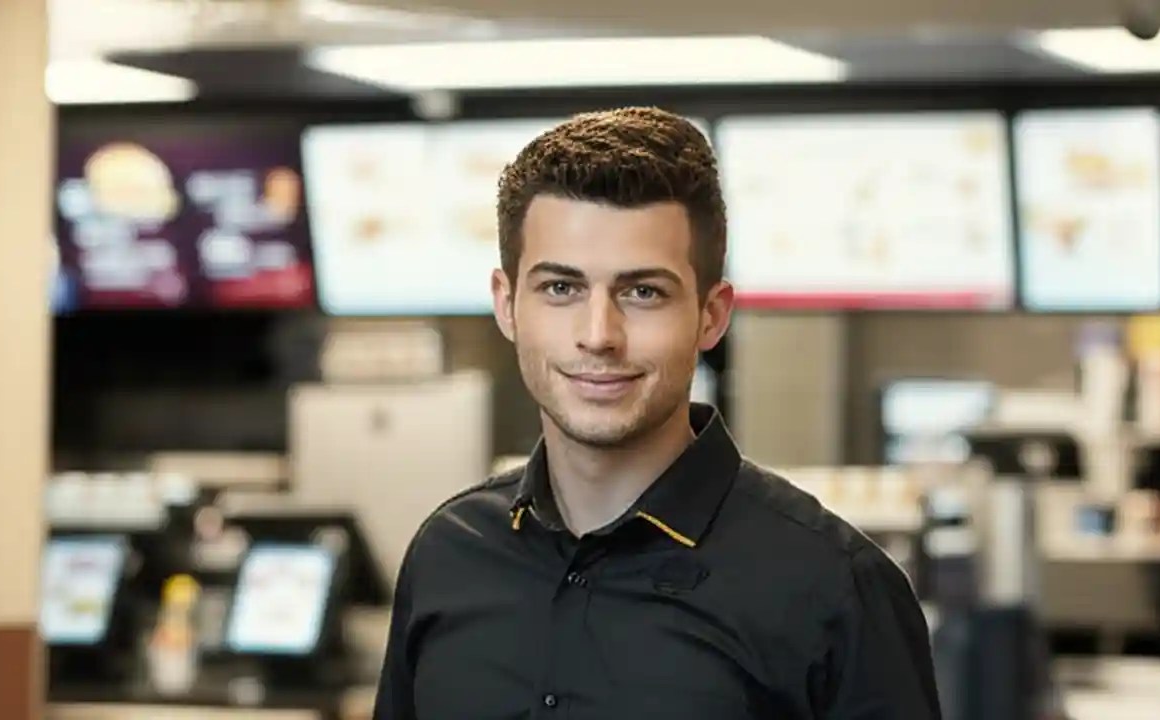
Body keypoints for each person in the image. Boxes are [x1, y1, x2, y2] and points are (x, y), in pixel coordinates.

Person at [373, 106, 941, 720]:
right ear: (507, 305)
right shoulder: (447, 556)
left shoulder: (837, 591)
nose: (598, 335)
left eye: (642, 292)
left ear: (711, 315)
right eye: (561, 288)